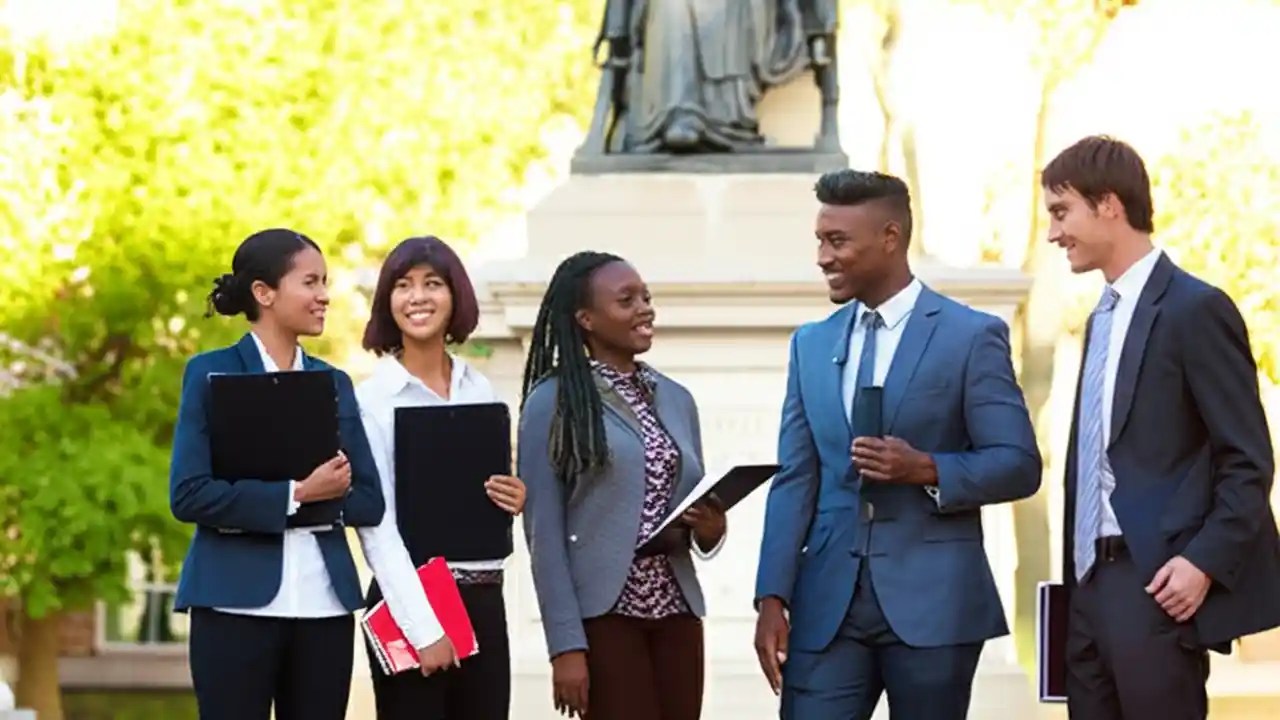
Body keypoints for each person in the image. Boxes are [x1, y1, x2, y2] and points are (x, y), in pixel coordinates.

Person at [752, 170, 1042, 720]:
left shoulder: (970, 336)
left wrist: (926, 468)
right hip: (826, 608)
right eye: (820, 240)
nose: (823, 257)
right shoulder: (810, 344)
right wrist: (772, 596)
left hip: (935, 604)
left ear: (890, 237)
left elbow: (1018, 464)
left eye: (837, 241)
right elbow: (796, 479)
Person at [1043, 135, 1280, 719]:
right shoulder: (1099, 319)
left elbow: (1247, 459)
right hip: (1086, 589)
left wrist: (1203, 562)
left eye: (1061, 212)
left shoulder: (1195, 309)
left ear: (1108, 204)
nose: (1053, 233)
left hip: (1156, 587)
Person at [169, 228, 386, 720]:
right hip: (232, 606)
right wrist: (297, 494)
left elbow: (369, 500)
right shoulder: (210, 374)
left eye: (325, 282)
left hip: (325, 608)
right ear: (263, 293)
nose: (324, 295)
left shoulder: (334, 383)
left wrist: (316, 494)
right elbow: (189, 494)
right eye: (310, 282)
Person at [517, 251, 728, 720]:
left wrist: (711, 529)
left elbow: (691, 505)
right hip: (605, 617)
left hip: (677, 611)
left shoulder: (677, 398)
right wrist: (565, 646)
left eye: (646, 297)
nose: (644, 309)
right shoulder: (553, 402)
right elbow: (543, 535)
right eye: (626, 300)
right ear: (586, 319)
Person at [354, 235, 527, 719]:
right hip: (409, 601)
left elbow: (478, 499)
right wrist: (424, 629)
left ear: (455, 296)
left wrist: (514, 496)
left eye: (433, 283)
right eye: (403, 285)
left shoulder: (480, 388)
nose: (418, 297)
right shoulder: (372, 400)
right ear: (387, 300)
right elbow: (376, 526)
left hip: (483, 597)